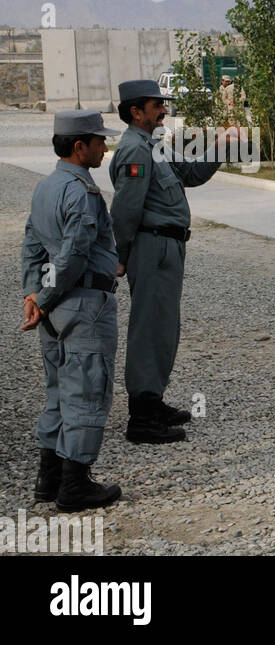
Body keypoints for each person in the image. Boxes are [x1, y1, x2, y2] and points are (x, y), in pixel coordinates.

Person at [110, 79, 225, 443]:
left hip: (167, 247)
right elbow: (125, 212)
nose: (163, 111)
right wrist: (121, 258)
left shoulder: (152, 146)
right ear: (136, 112)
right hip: (151, 247)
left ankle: (152, 399)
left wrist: (220, 147)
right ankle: (141, 419)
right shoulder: (134, 150)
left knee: (163, 328)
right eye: (156, 105)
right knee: (149, 329)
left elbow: (189, 174)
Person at [21, 110, 123, 511]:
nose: (104, 147)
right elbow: (74, 254)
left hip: (53, 308)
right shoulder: (82, 192)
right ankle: (75, 486)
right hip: (83, 304)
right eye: (99, 141)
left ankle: (48, 480)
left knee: (59, 392)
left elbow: (32, 245)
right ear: (79, 147)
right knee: (87, 390)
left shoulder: (45, 187)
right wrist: (42, 298)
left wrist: (34, 295)